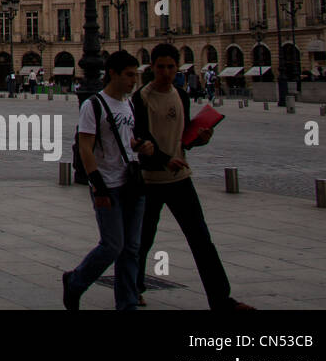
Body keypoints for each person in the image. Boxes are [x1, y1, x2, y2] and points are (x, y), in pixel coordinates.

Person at [135, 42, 253, 311]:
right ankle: (134, 286)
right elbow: (142, 138)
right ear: (152, 67)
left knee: (201, 239)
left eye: (170, 67)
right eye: (161, 67)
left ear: (177, 68)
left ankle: (221, 300)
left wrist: (199, 139)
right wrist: (166, 159)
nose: (166, 72)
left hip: (180, 177)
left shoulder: (181, 95)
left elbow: (182, 140)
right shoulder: (141, 97)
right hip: (151, 179)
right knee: (143, 238)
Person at [62, 50, 151, 311]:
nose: (134, 80)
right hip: (107, 185)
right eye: (129, 75)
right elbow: (85, 147)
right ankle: (75, 281)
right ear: (112, 73)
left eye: (135, 75)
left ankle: (127, 303)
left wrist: (140, 145)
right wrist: (96, 183)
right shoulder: (94, 105)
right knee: (112, 245)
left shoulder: (129, 104)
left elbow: (126, 139)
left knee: (131, 248)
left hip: (131, 183)